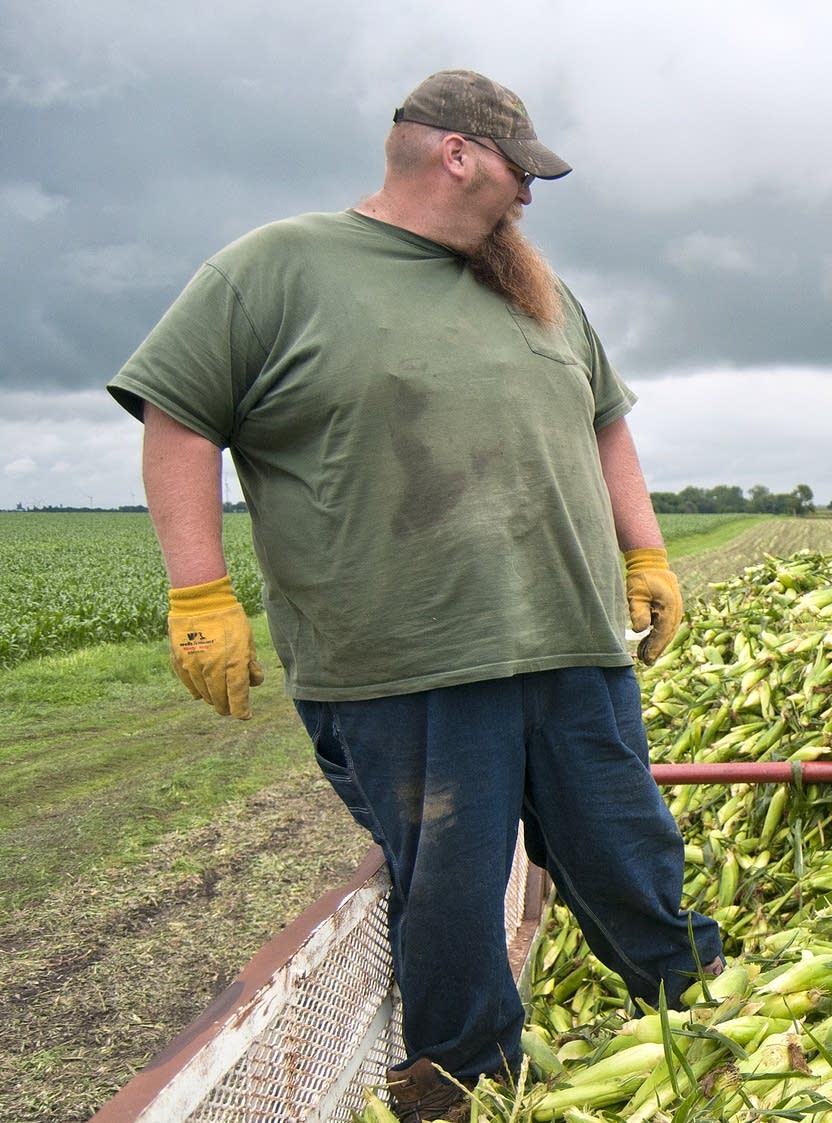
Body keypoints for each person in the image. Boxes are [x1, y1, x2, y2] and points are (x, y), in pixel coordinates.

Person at [108, 69, 722, 1123]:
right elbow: (177, 415)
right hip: (408, 658)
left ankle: (704, 1015)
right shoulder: (277, 269)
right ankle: (465, 1083)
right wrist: (198, 589)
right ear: (457, 155)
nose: (528, 198)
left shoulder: (533, 287)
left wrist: (647, 555)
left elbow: (604, 421)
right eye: (519, 174)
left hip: (570, 640)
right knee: (451, 889)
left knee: (629, 847)